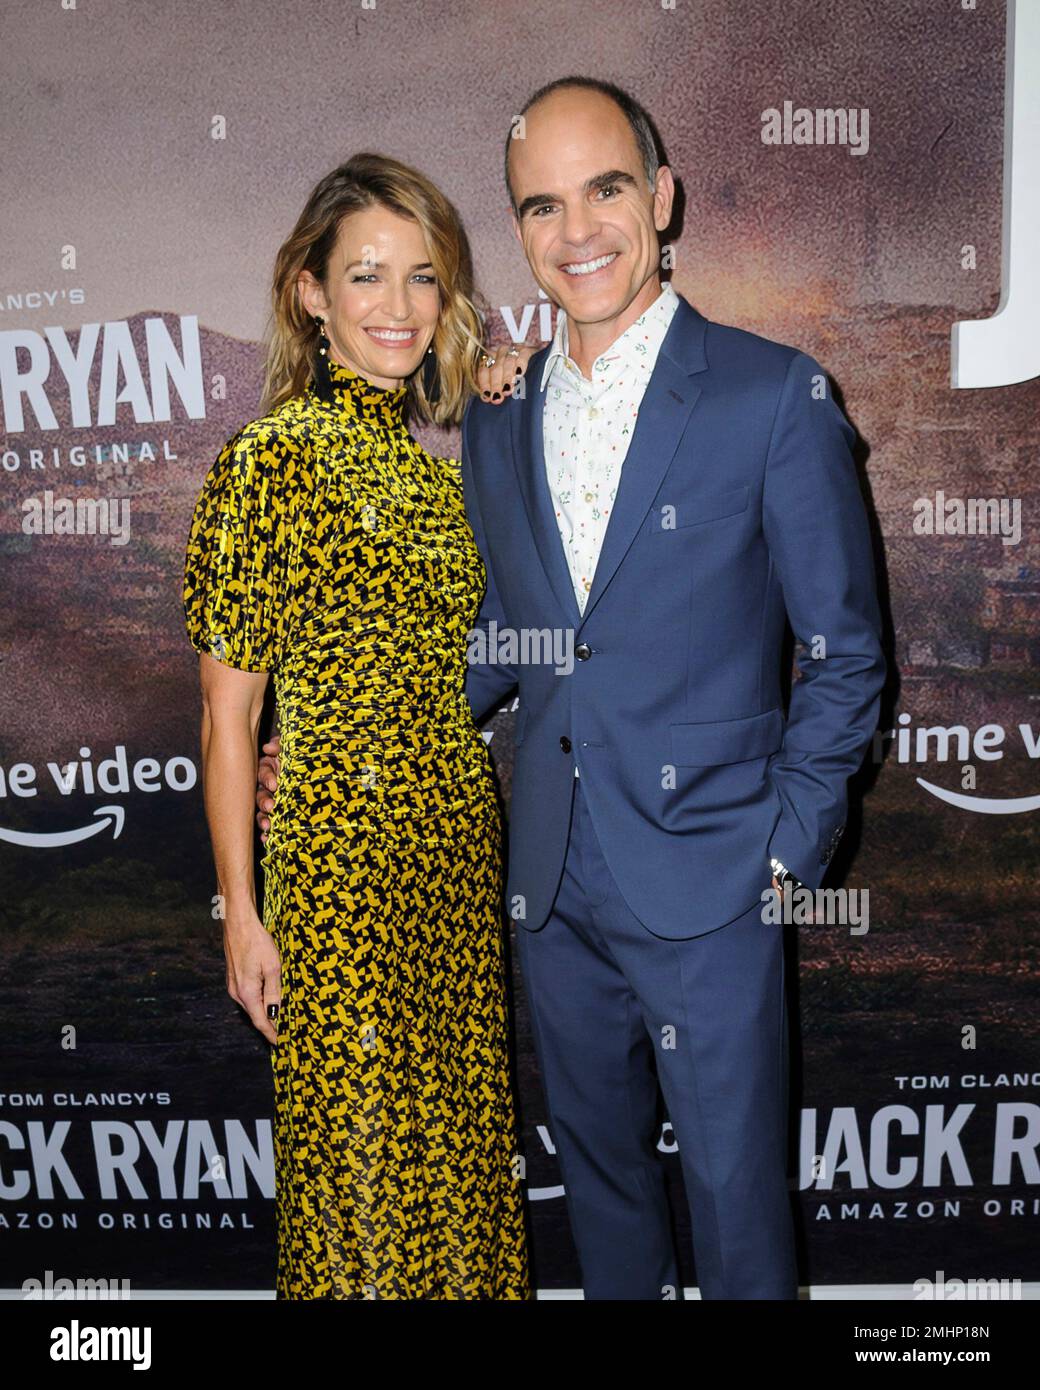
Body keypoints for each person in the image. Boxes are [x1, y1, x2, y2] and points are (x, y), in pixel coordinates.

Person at [260, 78, 886, 1301]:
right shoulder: (499, 414)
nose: (577, 228)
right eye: (539, 205)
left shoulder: (772, 396)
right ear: (518, 231)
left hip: (713, 877)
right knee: (601, 1197)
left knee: (737, 1207)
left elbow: (844, 652)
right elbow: (514, 633)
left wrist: (785, 849)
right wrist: (351, 735)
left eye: (604, 188)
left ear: (658, 197)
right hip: (547, 881)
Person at [183, 152, 533, 1300]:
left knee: (462, 1174)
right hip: (335, 865)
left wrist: (512, 378)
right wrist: (243, 915)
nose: (397, 306)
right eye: (366, 276)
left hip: (450, 850)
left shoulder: (444, 480)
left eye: (422, 278)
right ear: (310, 293)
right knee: (364, 1188)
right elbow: (228, 718)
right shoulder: (266, 463)